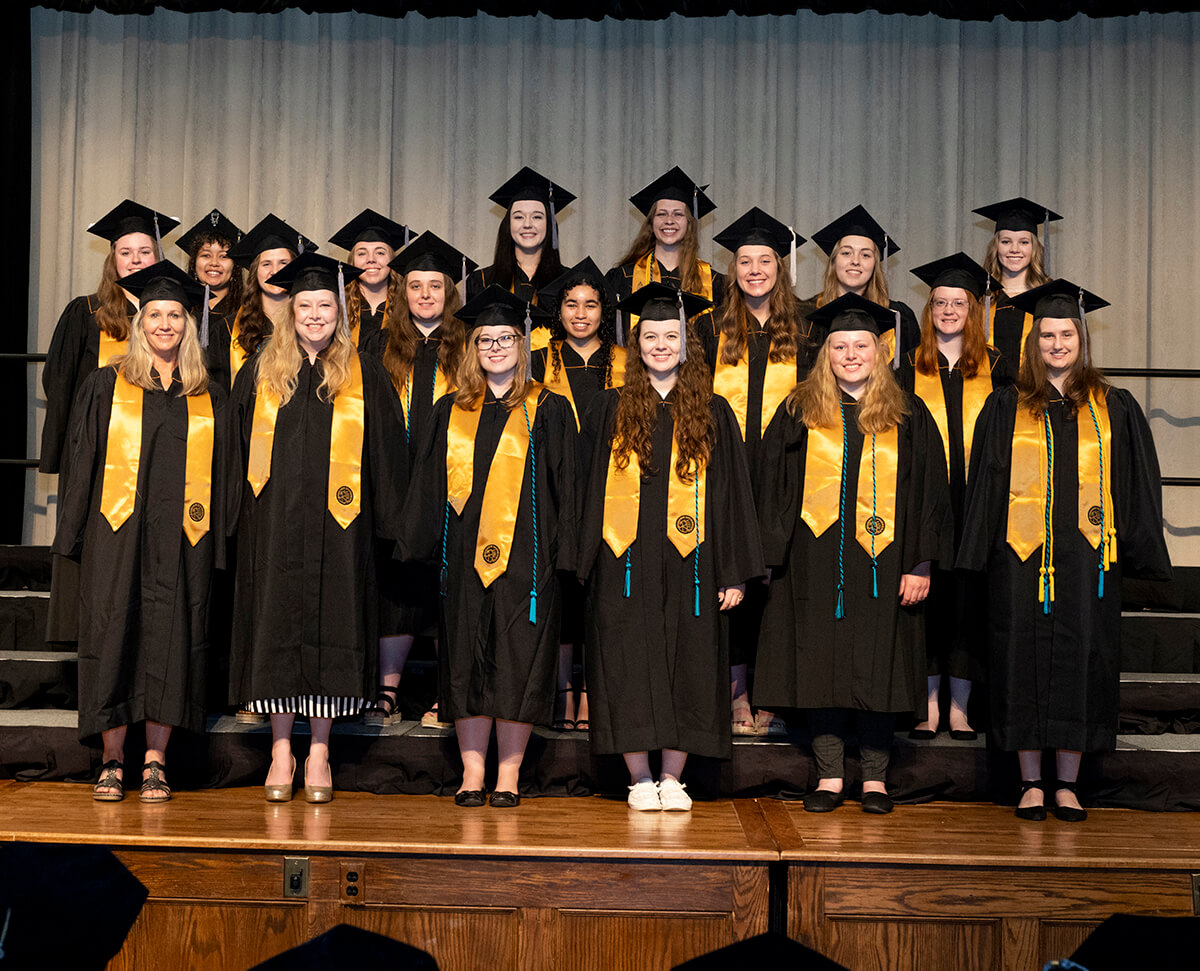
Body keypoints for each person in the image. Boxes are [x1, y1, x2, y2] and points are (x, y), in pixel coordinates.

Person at [958, 280, 1171, 822]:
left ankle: (1069, 784)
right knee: (1020, 659)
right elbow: (984, 481)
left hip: (1088, 562)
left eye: (1066, 334)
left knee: (1083, 661)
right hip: (1019, 559)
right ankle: (1031, 782)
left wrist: (1133, 548)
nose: (1056, 344)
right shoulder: (1006, 406)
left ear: (1082, 340)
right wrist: (977, 550)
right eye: (1047, 335)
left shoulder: (1113, 407)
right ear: (1034, 343)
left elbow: (1135, 485)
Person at [755, 294, 953, 814]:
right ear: (825, 353)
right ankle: (827, 777)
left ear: (879, 350)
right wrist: (772, 556)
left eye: (860, 345)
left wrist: (920, 562)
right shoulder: (799, 409)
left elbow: (930, 492)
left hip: (884, 563)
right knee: (819, 666)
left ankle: (874, 779)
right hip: (811, 563)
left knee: (877, 665)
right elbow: (772, 485)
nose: (849, 354)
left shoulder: (909, 413)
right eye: (839, 346)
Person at [227, 253, 407, 803]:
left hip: (341, 531)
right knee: (276, 624)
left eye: (324, 304)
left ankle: (320, 750)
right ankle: (282, 749)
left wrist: (389, 524)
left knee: (335, 623)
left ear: (339, 311)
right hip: (273, 526)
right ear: (289, 310)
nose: (313, 314)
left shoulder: (364, 372)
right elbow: (234, 455)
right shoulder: (260, 370)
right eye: (303, 305)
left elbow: (387, 455)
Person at [577, 283, 763, 811]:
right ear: (637, 345)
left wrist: (732, 572)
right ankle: (638, 776)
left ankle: (674, 776)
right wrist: (586, 559)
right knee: (625, 659)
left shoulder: (713, 411)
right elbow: (584, 490)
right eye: (651, 336)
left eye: (671, 335)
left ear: (687, 344)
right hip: (624, 562)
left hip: (694, 563)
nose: (661, 344)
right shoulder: (606, 408)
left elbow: (731, 498)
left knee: (692, 659)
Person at [51, 261, 223, 803]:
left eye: (175, 315)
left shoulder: (208, 396)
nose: (166, 324)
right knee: (113, 637)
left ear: (188, 325)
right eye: (155, 315)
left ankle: (156, 762)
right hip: (117, 537)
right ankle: (110, 759)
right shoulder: (106, 384)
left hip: (183, 542)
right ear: (140, 323)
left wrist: (220, 545)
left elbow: (223, 481)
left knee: (174, 641)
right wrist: (72, 536)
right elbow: (82, 465)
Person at [398, 286, 576, 808]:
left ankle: (509, 775)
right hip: (462, 558)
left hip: (530, 557)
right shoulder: (449, 410)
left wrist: (566, 556)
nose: (495, 347)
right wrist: (421, 546)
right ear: (472, 348)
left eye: (505, 339)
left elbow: (567, 487)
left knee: (520, 661)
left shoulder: (548, 408)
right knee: (464, 663)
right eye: (485, 340)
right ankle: (472, 773)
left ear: (523, 345)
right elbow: (429, 485)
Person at [42, 199, 178, 646]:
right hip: (100, 460)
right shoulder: (85, 313)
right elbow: (59, 384)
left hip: (161, 463)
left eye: (144, 252)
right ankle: (95, 642)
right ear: (112, 259)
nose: (135, 260)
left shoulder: (173, 316)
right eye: (126, 252)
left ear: (158, 258)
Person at [359, 231, 477, 728]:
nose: (426, 295)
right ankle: (387, 690)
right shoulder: (379, 343)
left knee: (452, 588)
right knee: (398, 586)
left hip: (456, 480)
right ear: (402, 292)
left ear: (449, 293)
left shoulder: (470, 343)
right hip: (396, 479)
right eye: (416, 286)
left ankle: (449, 695)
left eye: (436, 286)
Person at [900, 253, 1015, 739]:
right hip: (926, 502)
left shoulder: (999, 366)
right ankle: (927, 704)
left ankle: (960, 708)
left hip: (976, 501)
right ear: (929, 310)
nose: (949, 310)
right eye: (941, 302)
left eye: (959, 303)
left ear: (974, 310)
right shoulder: (905, 366)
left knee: (969, 602)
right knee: (929, 603)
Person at [708, 207, 813, 738]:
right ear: (734, 271)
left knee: (775, 592)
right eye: (744, 261)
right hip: (723, 473)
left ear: (780, 267)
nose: (754, 270)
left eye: (764, 260)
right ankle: (734, 692)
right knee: (728, 587)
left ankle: (768, 690)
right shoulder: (708, 328)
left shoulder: (807, 329)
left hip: (784, 474)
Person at [533, 257, 627, 732]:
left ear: (603, 313)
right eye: (572, 304)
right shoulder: (537, 361)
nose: (581, 313)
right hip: (553, 492)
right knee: (563, 593)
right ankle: (563, 690)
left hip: (612, 492)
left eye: (591, 305)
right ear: (560, 311)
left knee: (600, 593)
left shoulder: (627, 364)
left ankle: (592, 690)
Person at [606, 166, 724, 336]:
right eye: (661, 214)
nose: (669, 220)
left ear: (689, 223)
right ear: (651, 222)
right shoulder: (623, 278)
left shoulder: (714, 282)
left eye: (678, 214)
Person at [465, 167, 574, 351]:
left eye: (537, 217)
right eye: (518, 217)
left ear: (550, 225)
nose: (527, 224)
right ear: (508, 225)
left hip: (554, 377)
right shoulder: (481, 281)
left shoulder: (571, 281)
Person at [800, 205, 920, 368]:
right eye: (846, 253)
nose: (855, 261)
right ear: (834, 262)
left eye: (865, 255)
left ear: (875, 265)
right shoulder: (806, 315)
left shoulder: (899, 318)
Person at [221, 214, 314, 392]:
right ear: (255, 271)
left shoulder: (311, 324)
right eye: (266, 264)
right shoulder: (227, 329)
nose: (275, 271)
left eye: (283, 263)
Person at [972, 197, 1060, 373]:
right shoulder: (979, 296)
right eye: (1006, 241)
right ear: (996, 247)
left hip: (1035, 393)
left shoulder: (1049, 297)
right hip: (984, 393)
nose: (1014, 249)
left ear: (1034, 248)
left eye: (1024, 242)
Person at [176, 208, 244, 386]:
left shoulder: (248, 312)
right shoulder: (178, 309)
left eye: (224, 256)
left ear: (235, 266)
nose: (214, 263)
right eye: (206, 255)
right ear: (194, 263)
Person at [329, 208, 415, 349]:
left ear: (393, 260)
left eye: (380, 252)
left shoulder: (410, 308)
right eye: (362, 253)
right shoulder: (336, 307)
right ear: (352, 261)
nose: (371, 260)